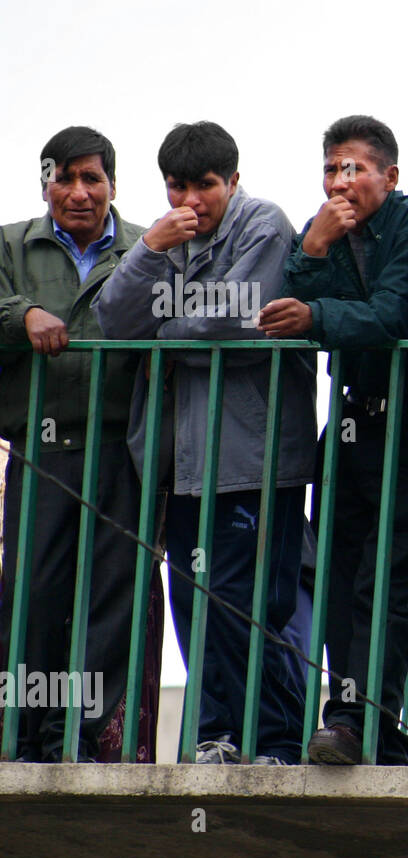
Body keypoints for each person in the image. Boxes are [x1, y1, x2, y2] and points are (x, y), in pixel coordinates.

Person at [96, 121, 315, 765]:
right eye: (177, 187)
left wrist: (160, 332)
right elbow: (113, 320)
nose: (190, 200)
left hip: (256, 457)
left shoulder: (264, 223)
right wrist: (149, 253)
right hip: (181, 464)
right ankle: (219, 734)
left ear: (234, 180)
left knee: (253, 607)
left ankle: (276, 740)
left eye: (205, 186)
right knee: (197, 608)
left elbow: (233, 318)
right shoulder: (164, 239)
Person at [260, 115, 408, 766]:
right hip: (349, 424)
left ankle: (362, 721)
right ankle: (354, 721)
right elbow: (283, 307)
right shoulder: (327, 230)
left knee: (386, 586)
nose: (340, 182)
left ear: (389, 177)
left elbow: (395, 315)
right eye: (331, 169)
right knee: (335, 578)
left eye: (354, 169)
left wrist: (317, 315)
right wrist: (311, 252)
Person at [0, 127, 145, 761]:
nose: (79, 192)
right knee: (32, 591)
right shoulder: (11, 244)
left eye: (94, 179)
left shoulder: (146, 248)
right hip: (42, 446)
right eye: (66, 178)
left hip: (123, 448)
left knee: (111, 596)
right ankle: (24, 735)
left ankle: (81, 740)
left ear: (114, 185)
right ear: (45, 182)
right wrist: (22, 315)